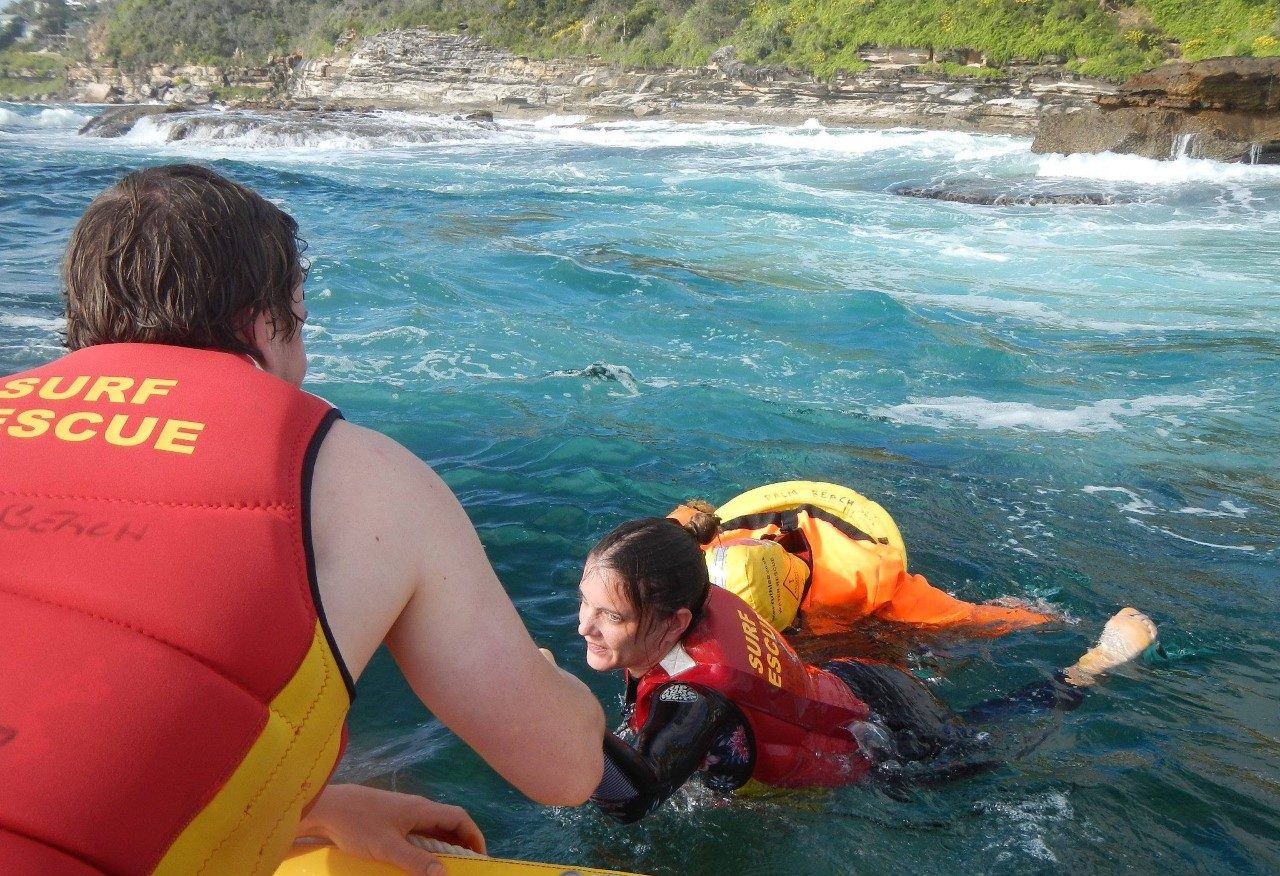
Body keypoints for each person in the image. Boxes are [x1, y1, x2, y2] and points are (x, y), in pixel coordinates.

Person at [0, 164, 604, 876]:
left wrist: (305, 809)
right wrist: (550, 678)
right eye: (301, 325)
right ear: (262, 322)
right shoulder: (360, 475)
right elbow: (563, 769)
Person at [578, 514, 1157, 824]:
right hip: (852, 678)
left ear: (675, 623)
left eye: (609, 616)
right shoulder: (682, 587)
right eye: (584, 602)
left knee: (986, 747)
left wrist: (573, 716)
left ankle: (1091, 664)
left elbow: (630, 802)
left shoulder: (697, 700)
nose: (583, 625)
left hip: (885, 730)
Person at [667, 480, 1060, 635]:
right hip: (774, 537)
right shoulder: (712, 543)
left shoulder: (870, 579)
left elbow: (973, 616)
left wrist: (1050, 622)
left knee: (908, 638)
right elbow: (680, 525)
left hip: (848, 540)